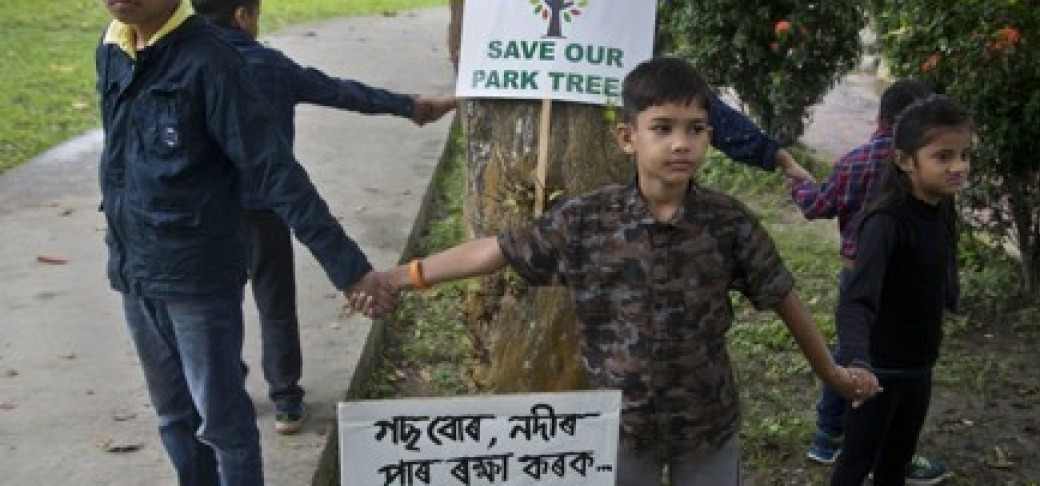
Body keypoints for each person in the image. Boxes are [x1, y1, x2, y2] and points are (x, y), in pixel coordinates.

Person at [352, 56, 881, 486]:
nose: (681, 143)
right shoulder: (587, 220)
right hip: (620, 429)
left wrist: (832, 375)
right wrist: (400, 276)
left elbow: (784, 297)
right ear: (629, 138)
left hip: (709, 426)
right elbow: (496, 250)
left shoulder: (729, 223)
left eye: (696, 129)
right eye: (663, 128)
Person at [89, 0, 395, 485]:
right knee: (174, 415)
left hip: (198, 277)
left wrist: (350, 269)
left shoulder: (212, 64)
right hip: (133, 271)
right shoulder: (113, 49)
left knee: (222, 421)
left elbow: (274, 171)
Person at [186, 0, 457, 435]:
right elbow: (339, 91)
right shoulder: (268, 65)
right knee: (274, 302)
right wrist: (411, 106)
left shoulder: (181, 64)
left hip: (208, 214)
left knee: (219, 302)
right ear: (244, 14)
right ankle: (286, 399)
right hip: (267, 206)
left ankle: (226, 391)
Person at [789, 79, 950, 484]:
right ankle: (873, 448)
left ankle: (827, 437)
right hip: (903, 284)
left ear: (880, 117)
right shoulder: (919, 177)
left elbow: (815, 206)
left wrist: (798, 180)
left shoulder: (854, 163)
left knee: (849, 355)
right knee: (864, 360)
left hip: (856, 270)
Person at [830, 95, 972, 486]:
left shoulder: (941, 206)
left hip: (919, 367)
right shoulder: (885, 224)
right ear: (906, 161)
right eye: (943, 157)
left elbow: (943, 259)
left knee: (896, 463)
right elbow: (855, 301)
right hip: (878, 373)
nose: (958, 167)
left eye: (964, 155)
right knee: (855, 465)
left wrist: (949, 295)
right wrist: (858, 363)